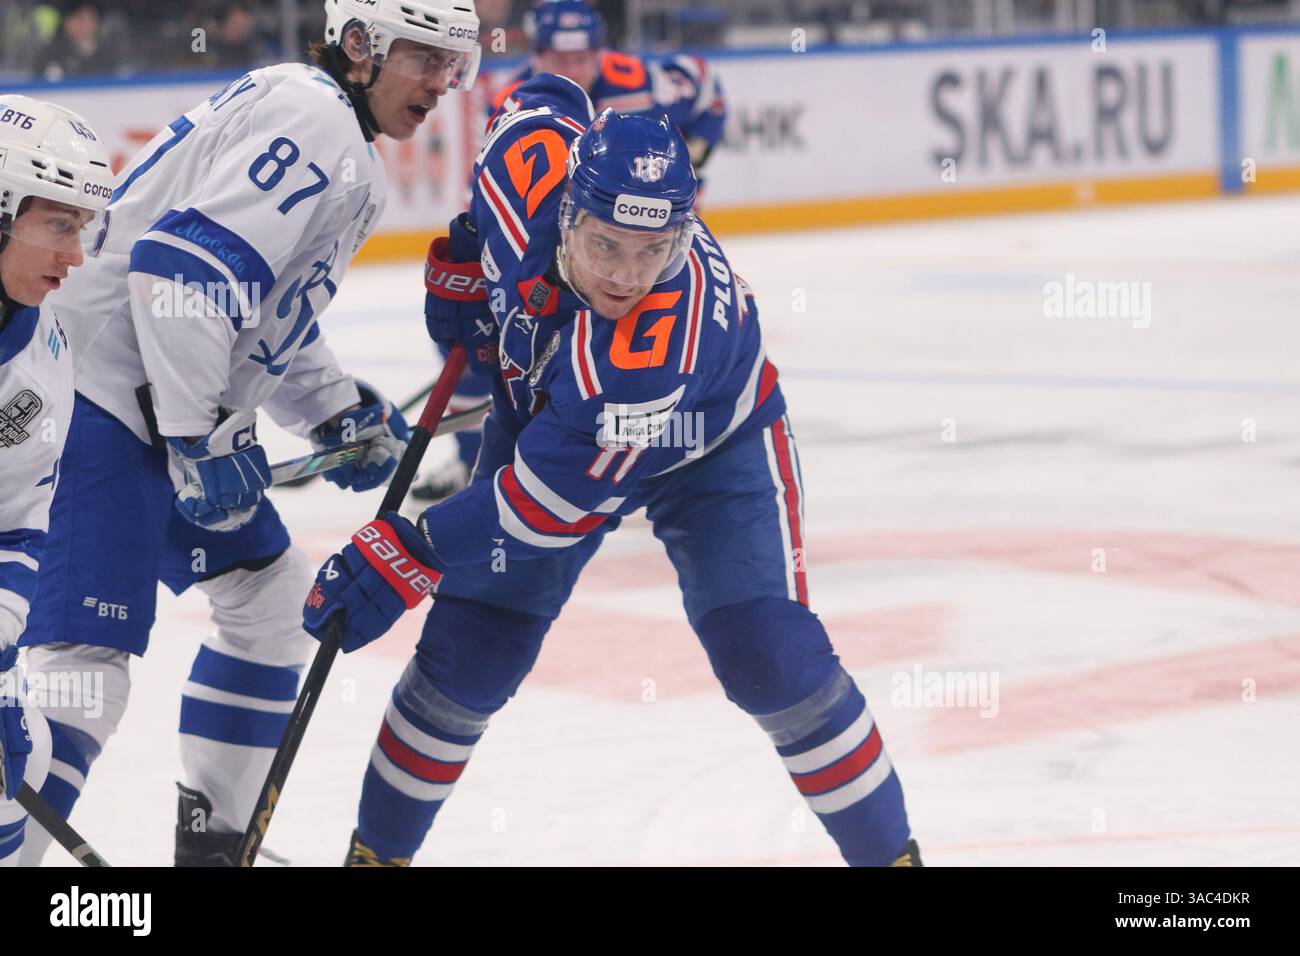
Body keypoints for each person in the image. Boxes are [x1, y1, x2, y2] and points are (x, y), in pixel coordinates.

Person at [304, 77, 921, 867]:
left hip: (711, 446)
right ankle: (376, 857)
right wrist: (469, 249)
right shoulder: (524, 158)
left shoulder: (652, 343)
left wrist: (412, 549)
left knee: (768, 655)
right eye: (606, 246)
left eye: (654, 252)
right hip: (559, 426)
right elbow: (542, 92)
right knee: (467, 654)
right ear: (567, 210)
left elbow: (546, 508)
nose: (628, 278)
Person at [14, 0, 482, 867]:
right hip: (98, 398)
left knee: (270, 605)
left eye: (455, 64)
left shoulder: (329, 128)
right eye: (423, 57)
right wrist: (198, 436)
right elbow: (179, 272)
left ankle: (215, 846)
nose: (440, 83)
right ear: (360, 46)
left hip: (146, 402)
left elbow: (256, 309)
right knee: (82, 667)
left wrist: (333, 407)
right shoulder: (314, 118)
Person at [410, 0, 726, 505]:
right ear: (536, 54)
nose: (574, 70)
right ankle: (475, 464)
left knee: (657, 356)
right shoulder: (520, 105)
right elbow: (498, 206)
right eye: (559, 59)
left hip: (652, 256)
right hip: (566, 261)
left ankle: (649, 454)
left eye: (584, 58)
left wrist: (698, 160)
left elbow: (707, 87)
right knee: (489, 357)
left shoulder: (640, 78)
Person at [0, 95, 112, 865]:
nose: (75, 257)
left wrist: (4, 666)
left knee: (20, 767)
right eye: (58, 226)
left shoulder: (46, 358)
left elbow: (14, 526)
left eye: (83, 228)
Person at [34, 1, 115, 82]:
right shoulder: (50, 54)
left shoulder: (107, 53)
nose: (85, 25)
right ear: (67, 22)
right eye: (79, 19)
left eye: (91, 19)